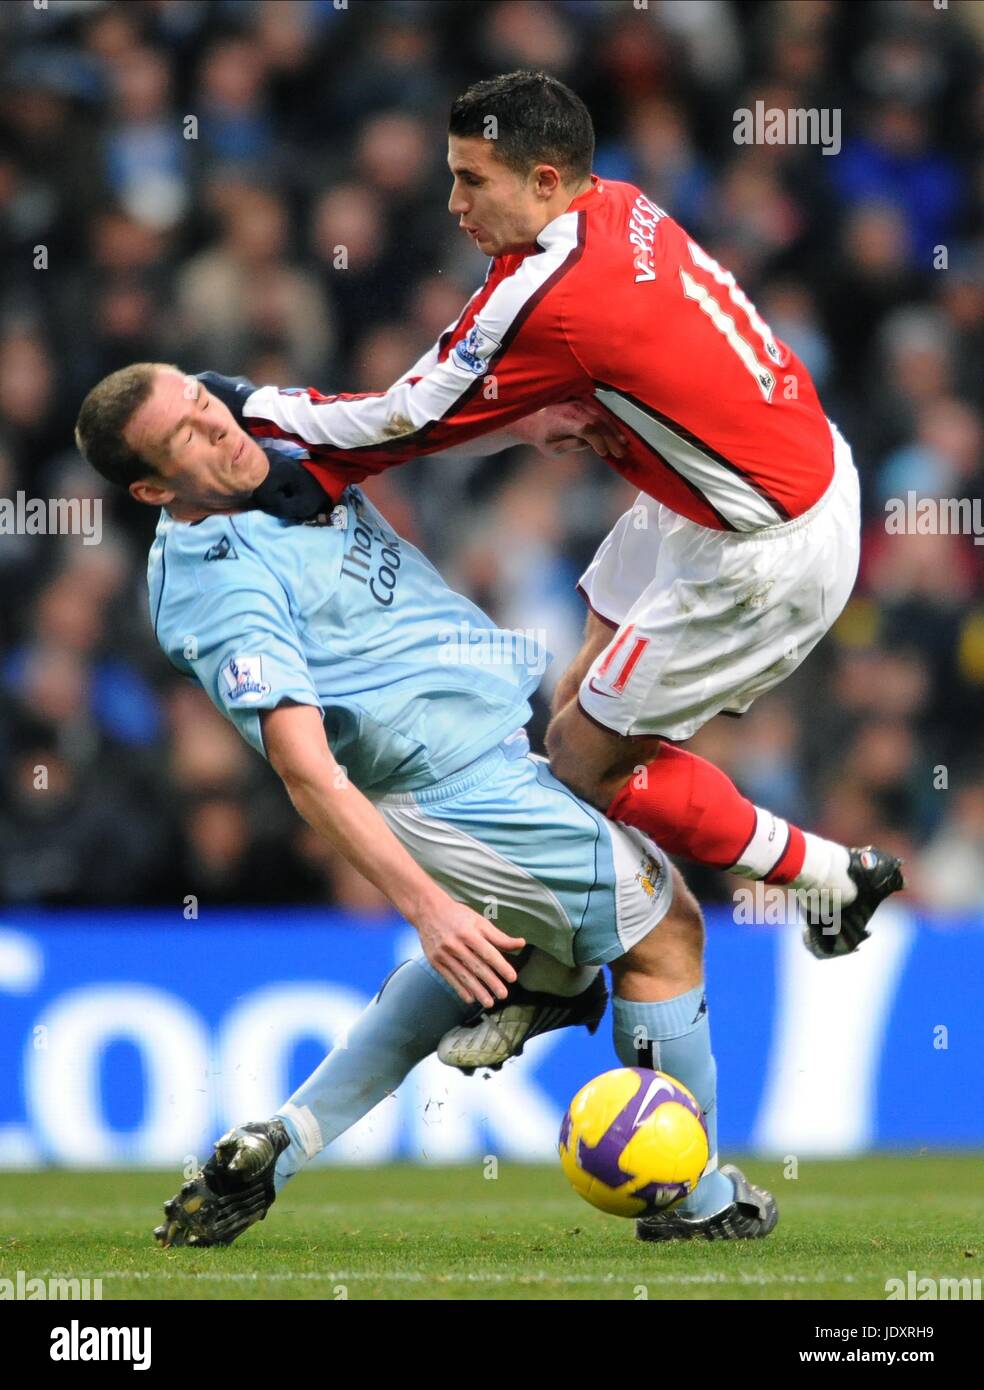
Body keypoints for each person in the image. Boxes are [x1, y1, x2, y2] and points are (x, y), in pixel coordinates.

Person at [74, 360, 787, 1247]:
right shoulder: (217, 586)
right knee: (664, 930)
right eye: (184, 434)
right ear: (151, 487)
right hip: (454, 794)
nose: (214, 425)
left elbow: (391, 421)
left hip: (488, 754)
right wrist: (425, 905)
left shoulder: (271, 439)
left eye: (200, 400)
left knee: (509, 955)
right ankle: (693, 1201)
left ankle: (281, 1143)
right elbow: (304, 768)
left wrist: (520, 427)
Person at [225, 69, 904, 954]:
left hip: (766, 543)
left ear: (545, 179)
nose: (453, 203)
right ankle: (583, 929)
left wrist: (250, 407)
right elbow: (468, 398)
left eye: (473, 180)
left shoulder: (563, 295)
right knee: (577, 703)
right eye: (452, 173)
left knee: (580, 758)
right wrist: (530, 414)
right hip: (744, 475)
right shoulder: (614, 204)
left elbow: (411, 413)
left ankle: (826, 878)